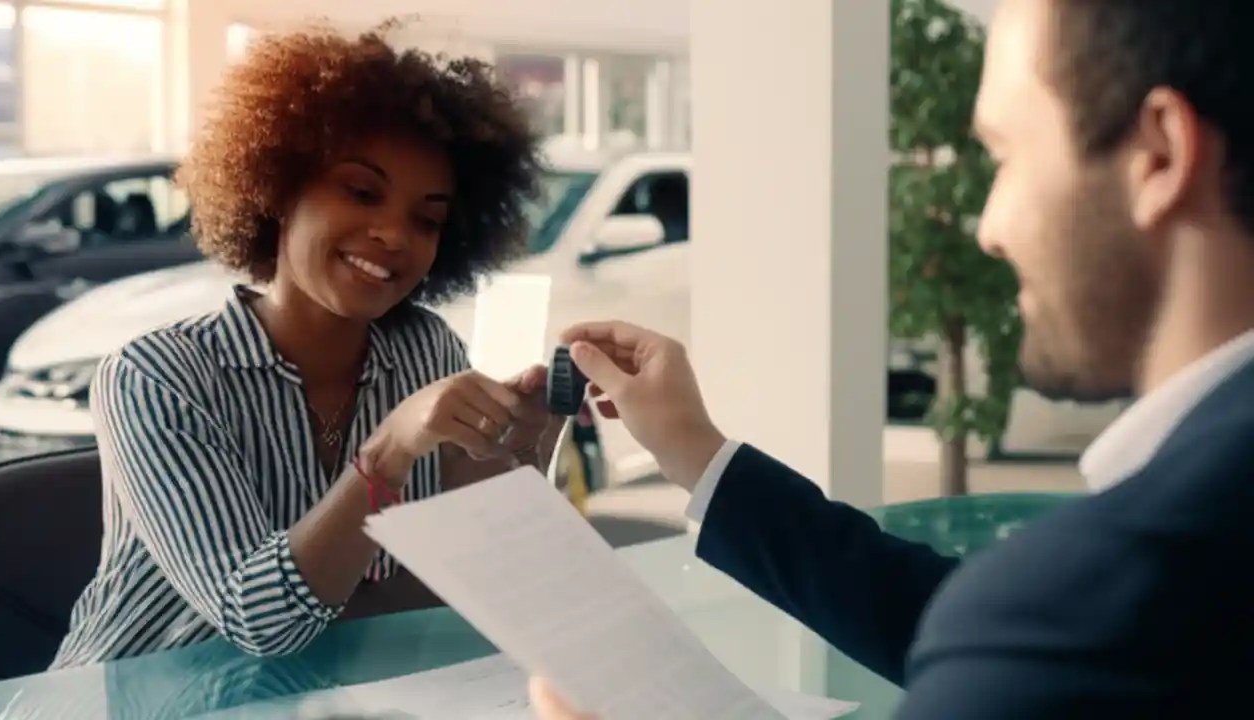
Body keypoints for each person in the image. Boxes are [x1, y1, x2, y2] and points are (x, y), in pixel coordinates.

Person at [531, 0, 1254, 716]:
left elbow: (1020, 641)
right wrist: (696, 452)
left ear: (1159, 155)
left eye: (1004, 155)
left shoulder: (1106, 606)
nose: (989, 231)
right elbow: (958, 623)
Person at [51, 21, 559, 668]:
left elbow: (473, 568)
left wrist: (516, 453)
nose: (393, 235)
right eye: (361, 192)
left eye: (426, 219)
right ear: (277, 186)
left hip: (330, 689)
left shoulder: (426, 351)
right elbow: (258, 619)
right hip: (139, 696)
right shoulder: (156, 377)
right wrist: (391, 449)